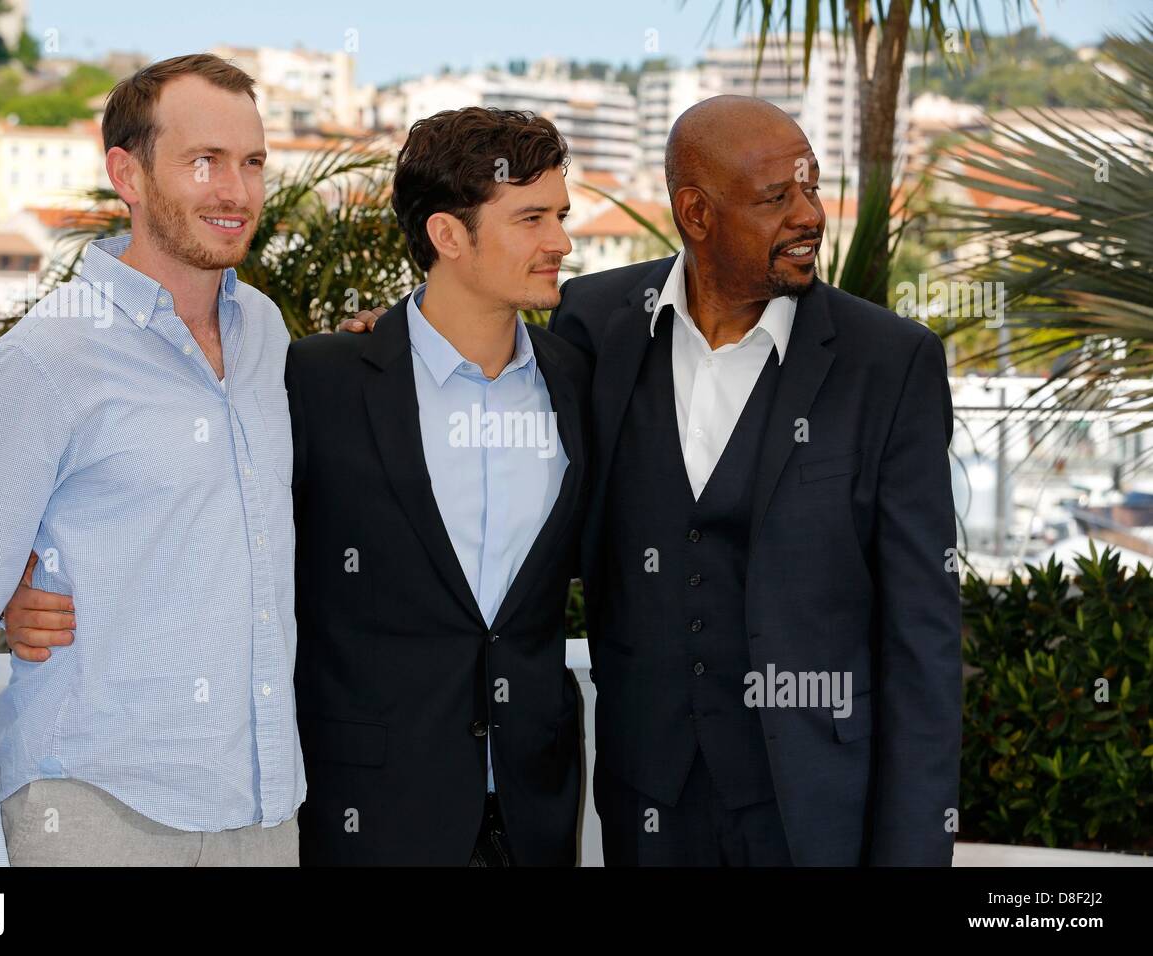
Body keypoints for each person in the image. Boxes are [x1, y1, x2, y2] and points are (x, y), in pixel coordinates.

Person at [346, 95, 962, 866]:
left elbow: (923, 643)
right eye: (777, 198)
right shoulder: (594, 324)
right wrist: (388, 342)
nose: (809, 216)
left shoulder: (890, 362)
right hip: (648, 805)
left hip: (815, 807)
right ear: (696, 213)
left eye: (812, 188)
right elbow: (477, 348)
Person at [7, 106, 592, 866]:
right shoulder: (317, 379)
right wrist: (27, 578)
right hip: (364, 811)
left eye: (562, 216)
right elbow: (204, 519)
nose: (562, 242)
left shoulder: (577, 381)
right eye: (533, 218)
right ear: (449, 236)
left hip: (534, 807)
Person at [0, 54, 304, 866]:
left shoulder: (265, 331)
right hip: (91, 815)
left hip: (264, 818)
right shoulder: (47, 359)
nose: (236, 191)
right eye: (203, 162)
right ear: (128, 173)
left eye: (252, 163)